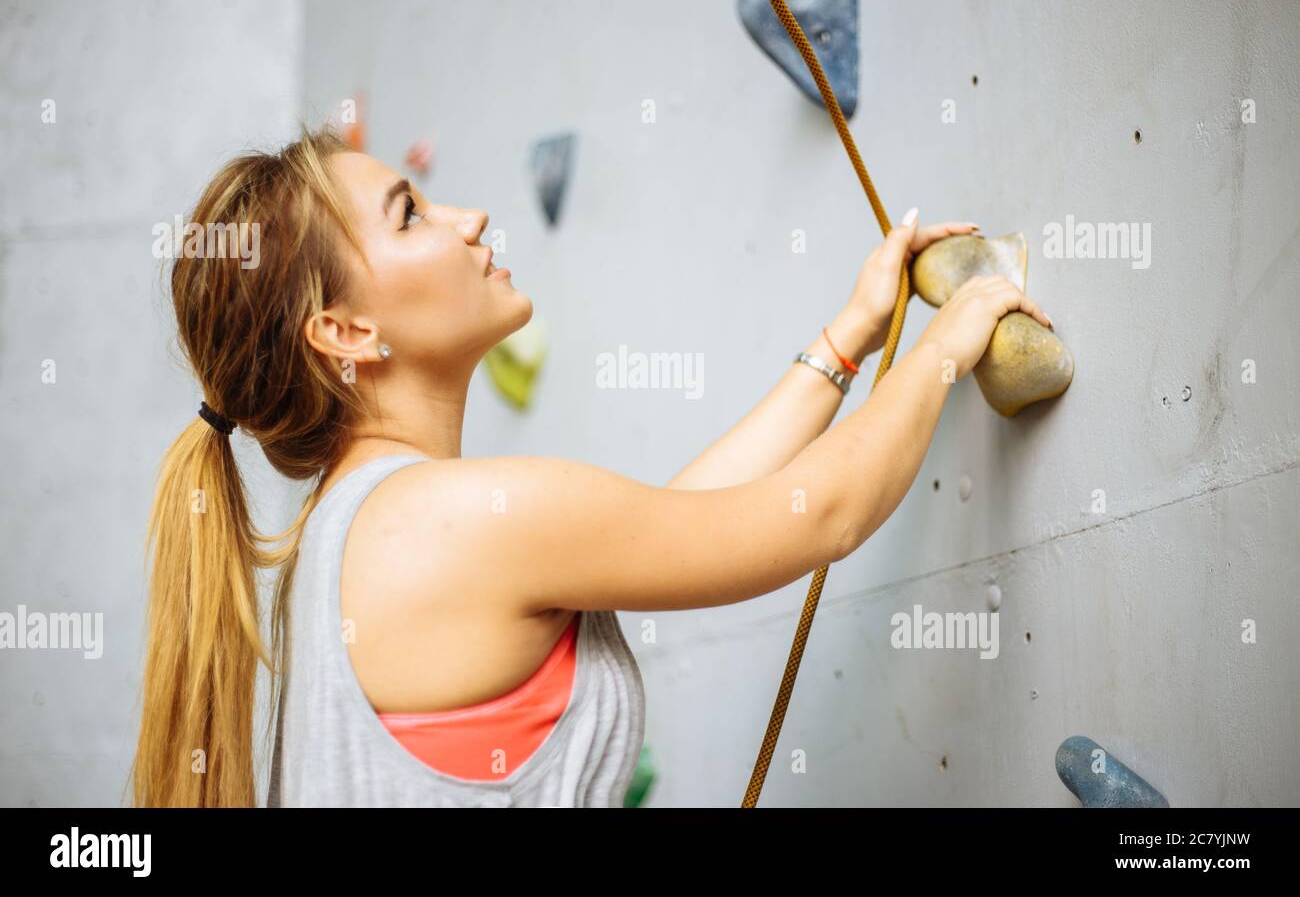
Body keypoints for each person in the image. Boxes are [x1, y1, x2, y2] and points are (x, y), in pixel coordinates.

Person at [130, 127, 1053, 807]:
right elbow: (824, 518)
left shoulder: (371, 530)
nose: (468, 217)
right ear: (345, 332)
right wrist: (948, 340)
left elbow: (677, 524)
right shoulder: (444, 519)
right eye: (411, 214)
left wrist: (849, 338)